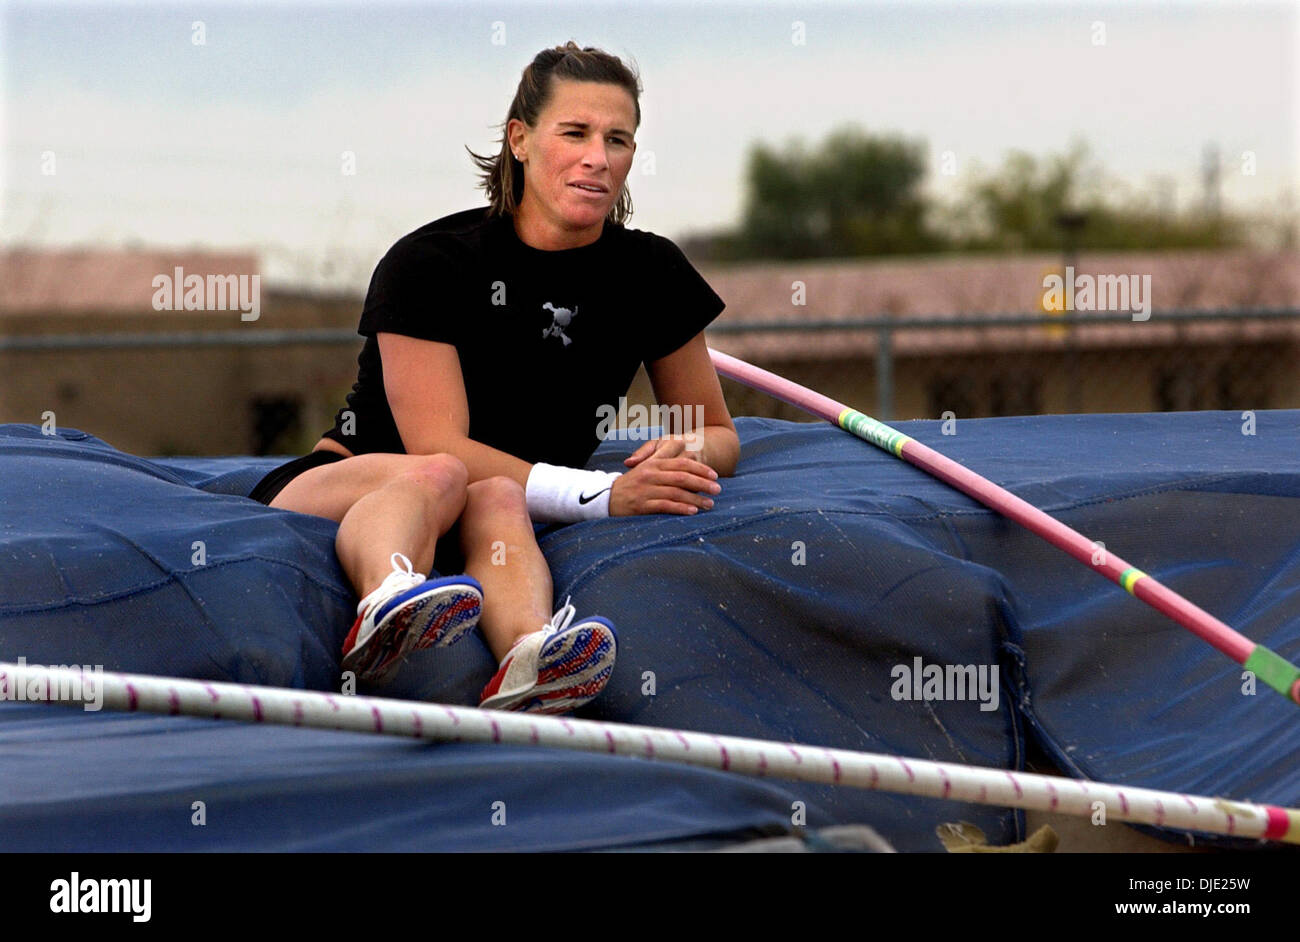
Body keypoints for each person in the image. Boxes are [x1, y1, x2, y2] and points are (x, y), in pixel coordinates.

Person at [248, 41, 739, 715]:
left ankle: (532, 658)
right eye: (575, 132)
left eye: (618, 139)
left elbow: (717, 431)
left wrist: (680, 454)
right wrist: (603, 494)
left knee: (500, 499)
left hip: (498, 499)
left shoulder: (650, 272)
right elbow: (438, 446)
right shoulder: (430, 264)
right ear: (520, 140)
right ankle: (386, 605)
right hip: (353, 481)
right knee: (445, 477)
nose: (599, 156)